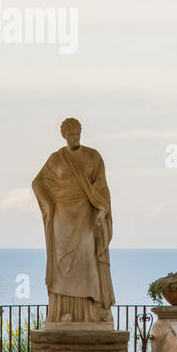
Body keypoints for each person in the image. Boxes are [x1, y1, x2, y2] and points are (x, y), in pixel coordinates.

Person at [32, 117, 115, 324]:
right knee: (63, 263)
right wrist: (49, 206)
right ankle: (63, 313)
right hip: (62, 215)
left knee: (87, 260)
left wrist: (102, 209)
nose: (74, 137)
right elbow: (37, 183)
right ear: (63, 136)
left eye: (77, 134)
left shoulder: (92, 157)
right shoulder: (56, 159)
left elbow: (102, 187)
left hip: (85, 214)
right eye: (70, 135)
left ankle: (90, 312)